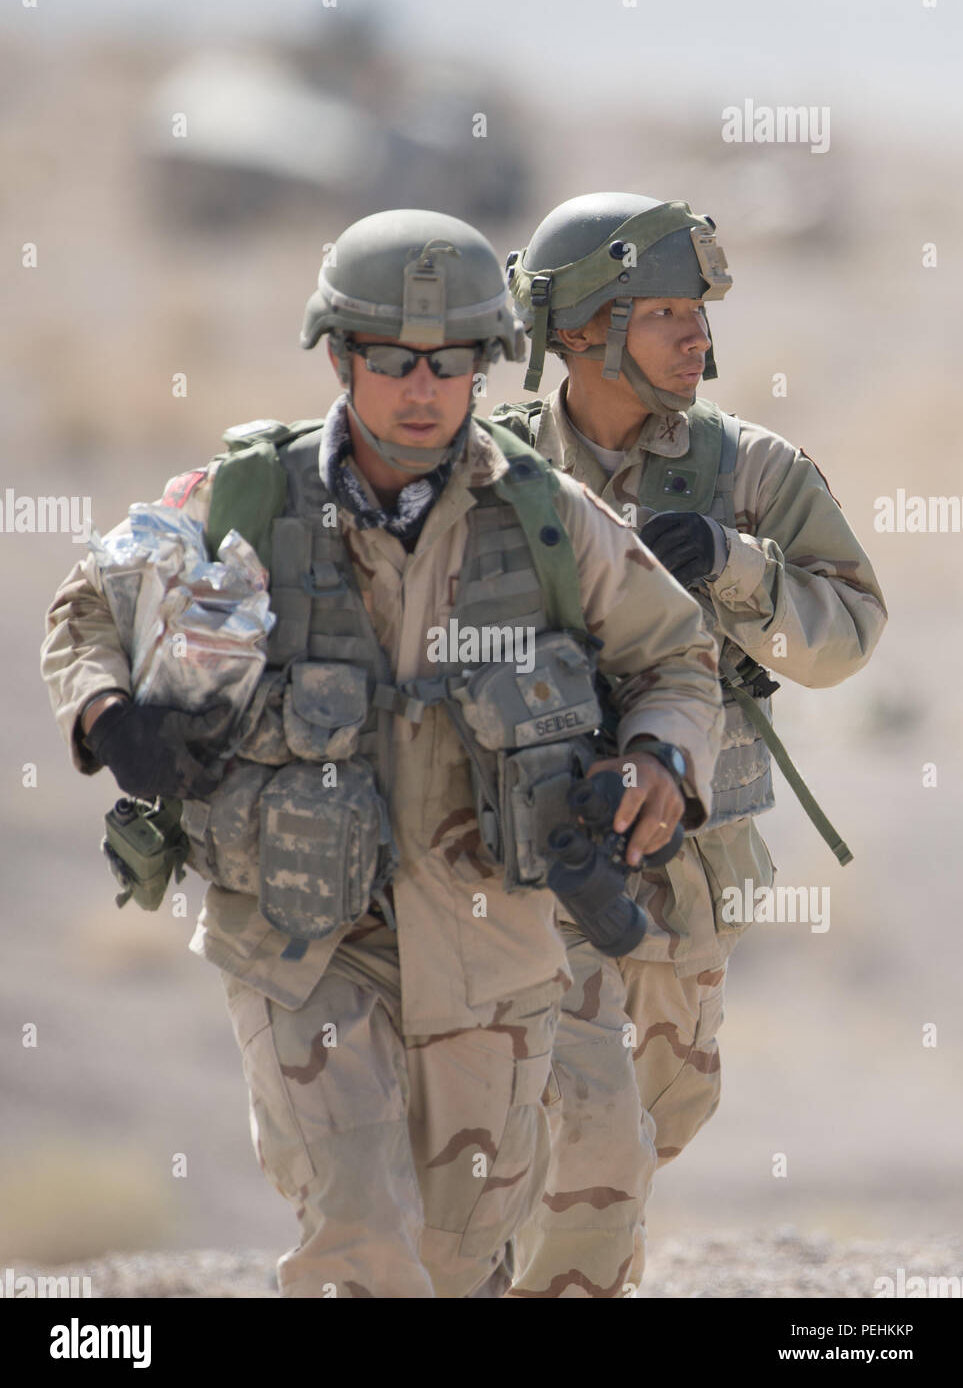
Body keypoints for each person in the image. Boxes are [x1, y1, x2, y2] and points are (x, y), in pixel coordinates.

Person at [40, 208, 724, 1299]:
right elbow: (86, 608)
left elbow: (677, 654)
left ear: (483, 365)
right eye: (395, 361)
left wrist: (656, 761)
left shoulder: (549, 520)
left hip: (492, 955)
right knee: (358, 1240)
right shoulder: (246, 502)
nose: (423, 388)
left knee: (459, 1267)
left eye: (451, 363)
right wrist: (107, 714)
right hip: (305, 945)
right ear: (339, 356)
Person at [493, 191, 888, 1297]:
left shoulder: (750, 470)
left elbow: (848, 634)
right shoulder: (497, 471)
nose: (697, 335)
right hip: (533, 855)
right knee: (578, 1126)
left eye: (698, 311)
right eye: (665, 310)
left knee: (666, 1105)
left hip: (688, 865)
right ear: (581, 330)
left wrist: (734, 563)